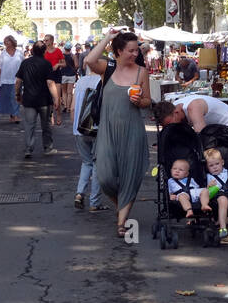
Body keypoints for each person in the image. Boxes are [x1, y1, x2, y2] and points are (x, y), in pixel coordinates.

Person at [86, 29, 151, 237]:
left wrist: (139, 101)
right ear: (119, 51)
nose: (135, 54)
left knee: (130, 176)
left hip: (133, 132)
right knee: (105, 178)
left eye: (136, 50)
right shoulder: (108, 68)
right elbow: (89, 59)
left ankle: (122, 222)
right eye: (131, 51)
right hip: (108, 130)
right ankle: (121, 205)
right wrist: (108, 37)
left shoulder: (142, 72)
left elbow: (148, 101)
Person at [72, 63, 106, 211]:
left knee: (86, 162)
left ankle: (80, 193)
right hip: (97, 129)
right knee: (97, 164)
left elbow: (73, 107)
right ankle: (95, 202)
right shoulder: (104, 81)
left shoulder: (80, 81)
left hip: (80, 128)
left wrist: (74, 128)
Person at [16, 41, 57, 157]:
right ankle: (48, 148)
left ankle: (29, 148)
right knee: (46, 125)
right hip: (44, 99)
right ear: (45, 51)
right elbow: (50, 83)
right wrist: (57, 99)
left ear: (32, 50)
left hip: (29, 99)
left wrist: (17, 94)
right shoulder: (47, 64)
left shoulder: (25, 63)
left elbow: (18, 82)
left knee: (29, 125)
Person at [152, 94, 228, 133]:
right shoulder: (173, 107)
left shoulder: (193, 108)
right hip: (217, 128)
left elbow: (202, 135)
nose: (171, 127)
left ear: (176, 112)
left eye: (171, 124)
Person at [0, 36, 22, 123]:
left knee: (16, 97)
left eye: (8, 41)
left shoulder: (19, 53)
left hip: (17, 79)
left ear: (12, 42)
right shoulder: (3, 54)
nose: (6, 43)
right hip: (5, 79)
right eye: (5, 41)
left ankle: (16, 115)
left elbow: (23, 65)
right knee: (8, 98)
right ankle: (12, 115)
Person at [43, 35, 65, 125]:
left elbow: (64, 63)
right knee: (48, 97)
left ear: (52, 41)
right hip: (47, 74)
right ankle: (51, 116)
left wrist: (58, 65)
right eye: (44, 40)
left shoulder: (58, 51)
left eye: (47, 40)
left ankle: (58, 114)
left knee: (57, 97)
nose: (45, 42)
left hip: (56, 75)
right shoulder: (44, 51)